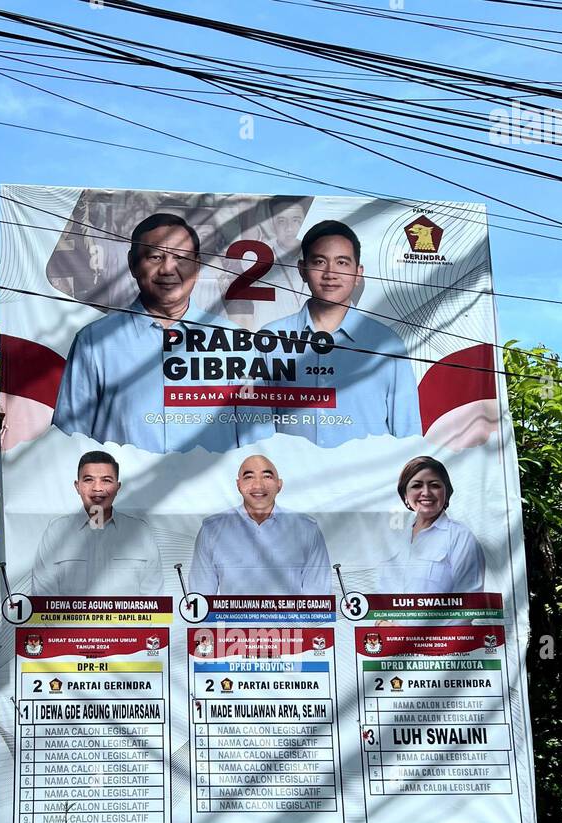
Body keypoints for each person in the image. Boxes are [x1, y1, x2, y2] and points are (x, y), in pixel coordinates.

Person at [52, 212, 264, 453]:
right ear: (133, 263)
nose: (168, 269)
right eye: (155, 256)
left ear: (197, 265)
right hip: (125, 490)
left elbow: (257, 441)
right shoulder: (93, 342)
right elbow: (68, 441)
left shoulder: (236, 342)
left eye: (180, 257)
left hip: (213, 490)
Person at [260, 219, 422, 447]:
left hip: (368, 479)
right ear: (302, 270)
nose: (330, 273)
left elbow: (407, 432)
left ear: (358, 273)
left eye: (342, 263)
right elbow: (258, 427)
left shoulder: (386, 345)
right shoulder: (271, 340)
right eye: (319, 262)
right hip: (294, 479)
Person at [188, 454, 332, 596]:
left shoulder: (306, 529)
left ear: (279, 484)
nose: (258, 485)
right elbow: (201, 602)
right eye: (249, 477)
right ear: (238, 485)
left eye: (267, 476)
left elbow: (318, 598)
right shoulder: (212, 530)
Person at [31, 450, 164, 596]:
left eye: (106, 480)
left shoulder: (140, 533)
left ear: (117, 487)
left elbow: (154, 602)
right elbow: (43, 601)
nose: (97, 488)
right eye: (89, 480)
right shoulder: (56, 533)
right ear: (77, 486)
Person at [376, 456, 486, 594]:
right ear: (405, 494)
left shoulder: (460, 537)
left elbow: (470, 599)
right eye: (417, 485)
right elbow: (381, 593)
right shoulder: (395, 536)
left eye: (434, 485)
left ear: (446, 492)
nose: (426, 493)